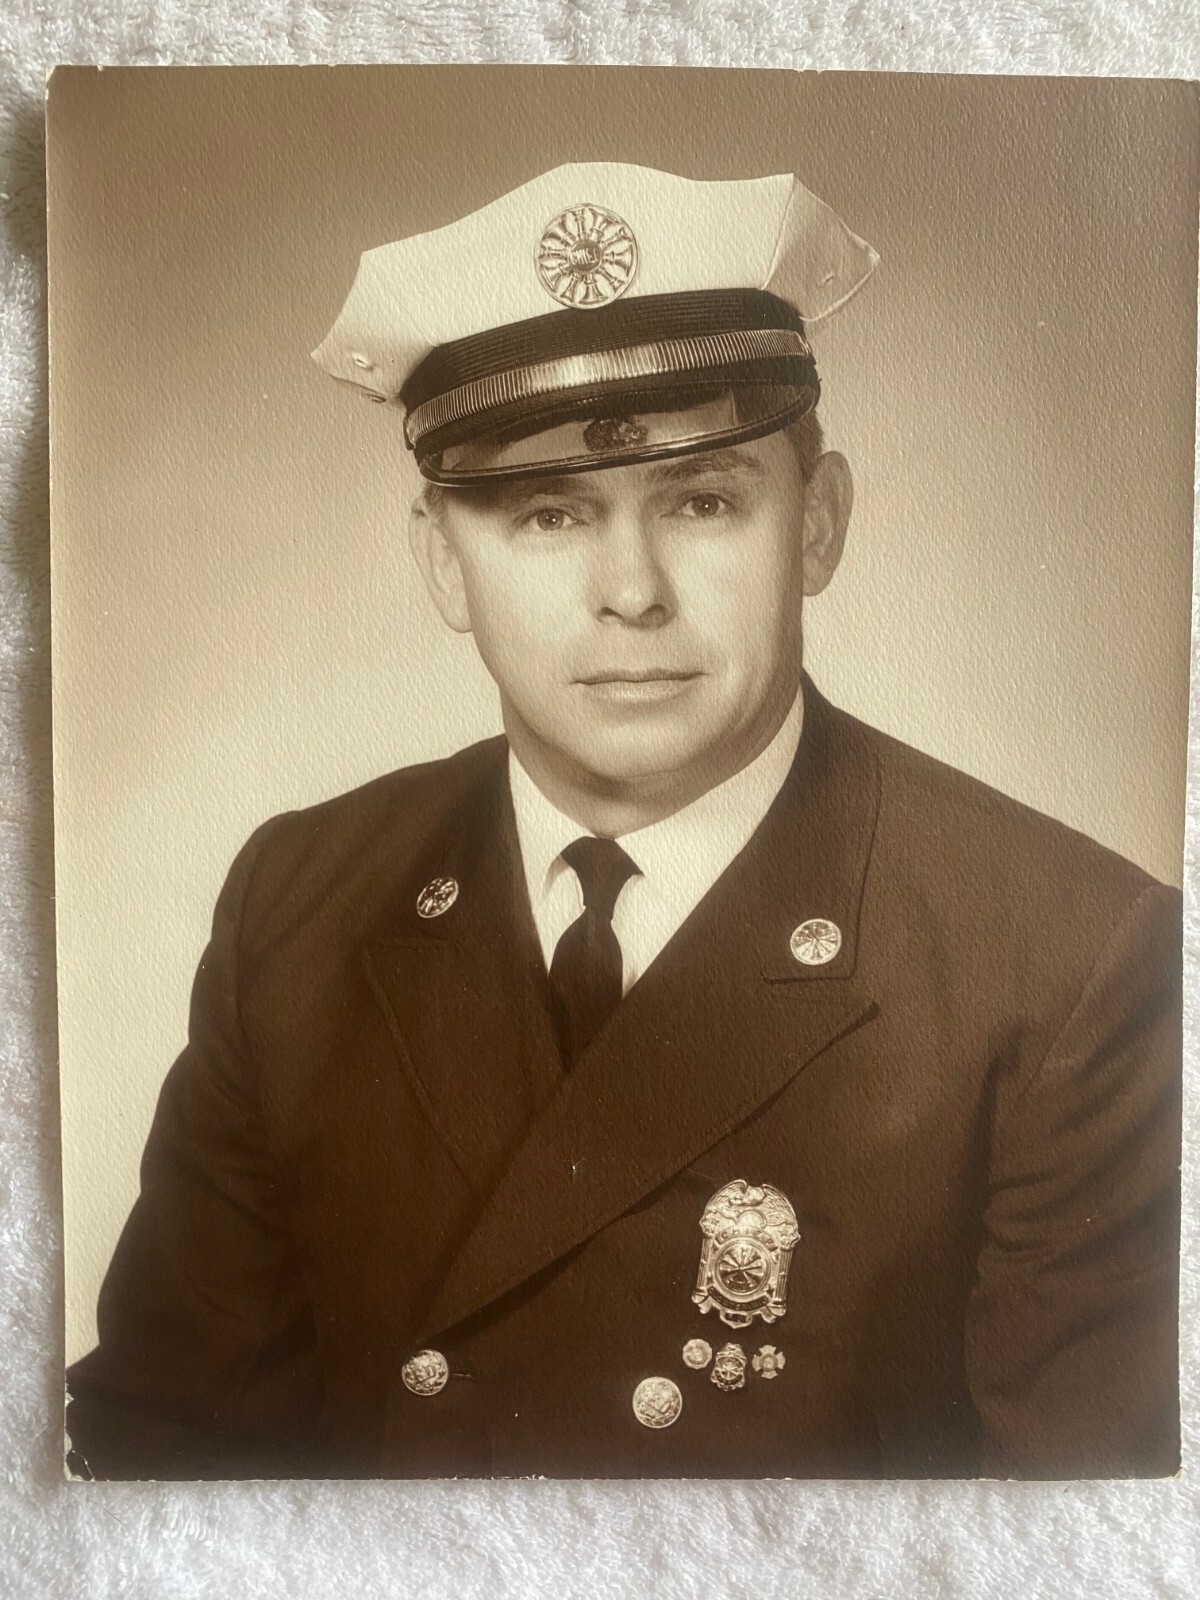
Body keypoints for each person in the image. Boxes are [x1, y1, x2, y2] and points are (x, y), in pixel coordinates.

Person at [65, 163, 1181, 1481]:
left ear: (815, 526)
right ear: (442, 562)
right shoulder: (301, 898)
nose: (633, 592)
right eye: (548, 515)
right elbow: (163, 1456)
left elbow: (1077, 1551)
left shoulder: (1072, 962)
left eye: (703, 503)